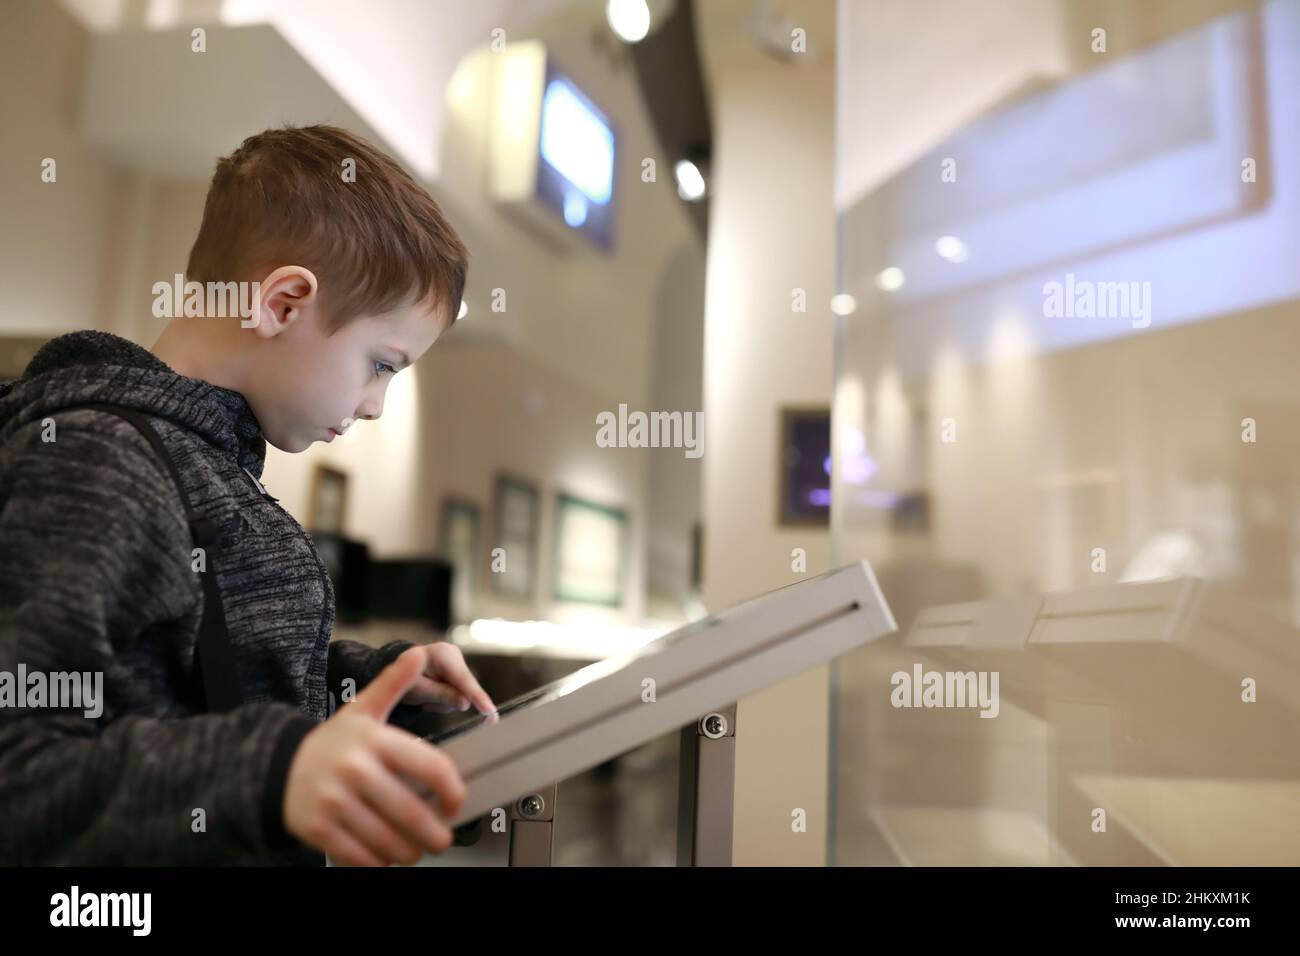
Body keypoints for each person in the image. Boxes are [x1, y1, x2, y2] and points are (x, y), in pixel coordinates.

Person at [0, 125, 494, 866]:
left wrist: (363, 686)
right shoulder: (99, 460)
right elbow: (21, 767)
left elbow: (194, 683)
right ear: (283, 304)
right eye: (381, 365)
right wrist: (275, 770)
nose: (375, 407)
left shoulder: (206, 465)